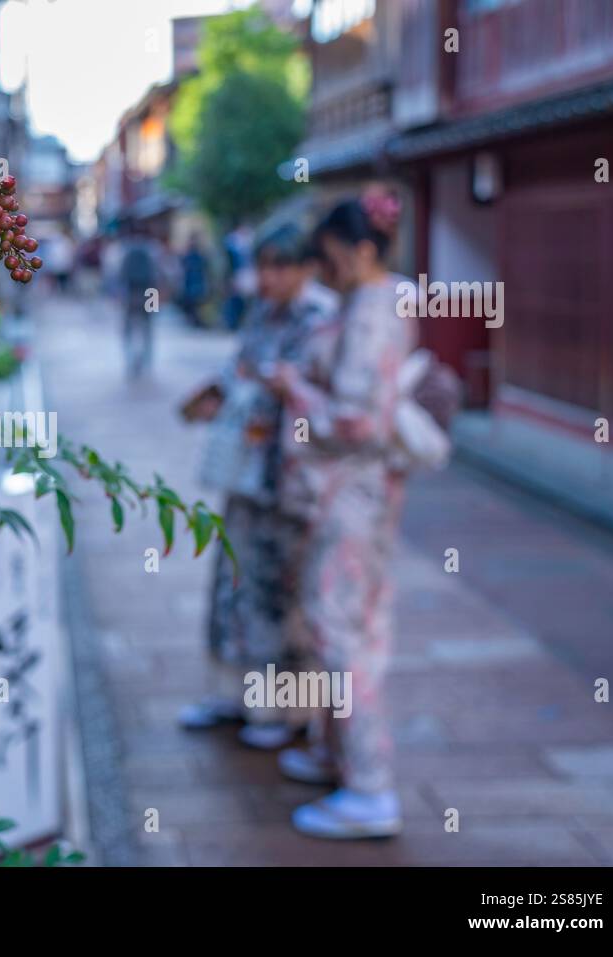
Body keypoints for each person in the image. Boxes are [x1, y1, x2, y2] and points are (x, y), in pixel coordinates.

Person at [267, 188, 416, 839]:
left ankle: (369, 784)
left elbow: (357, 420)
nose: (324, 270)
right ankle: (341, 755)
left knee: (341, 631)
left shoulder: (371, 312)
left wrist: (296, 390)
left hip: (351, 490)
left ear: (359, 250)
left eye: (330, 257)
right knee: (351, 624)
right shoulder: (375, 303)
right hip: (361, 490)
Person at [178, 225, 337, 749]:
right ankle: (233, 694)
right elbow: (237, 370)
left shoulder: (320, 319)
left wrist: (278, 387)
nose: (267, 277)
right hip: (246, 469)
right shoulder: (261, 313)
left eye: (279, 266)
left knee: (280, 592)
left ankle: (283, 713)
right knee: (234, 581)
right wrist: (214, 395)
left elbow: (327, 398)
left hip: (292, 477)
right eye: (263, 266)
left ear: (307, 267)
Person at [117, 224, 168, 378]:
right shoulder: (153, 250)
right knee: (148, 328)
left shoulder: (127, 250)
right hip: (150, 292)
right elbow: (159, 274)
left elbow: (120, 274)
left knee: (129, 328)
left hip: (131, 292)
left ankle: (131, 358)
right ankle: (147, 359)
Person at [177, 238, 211, 327]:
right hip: (191, 282)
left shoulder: (199, 256)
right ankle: (193, 319)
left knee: (197, 302)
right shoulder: (188, 256)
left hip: (196, 282)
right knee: (191, 302)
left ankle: (197, 320)